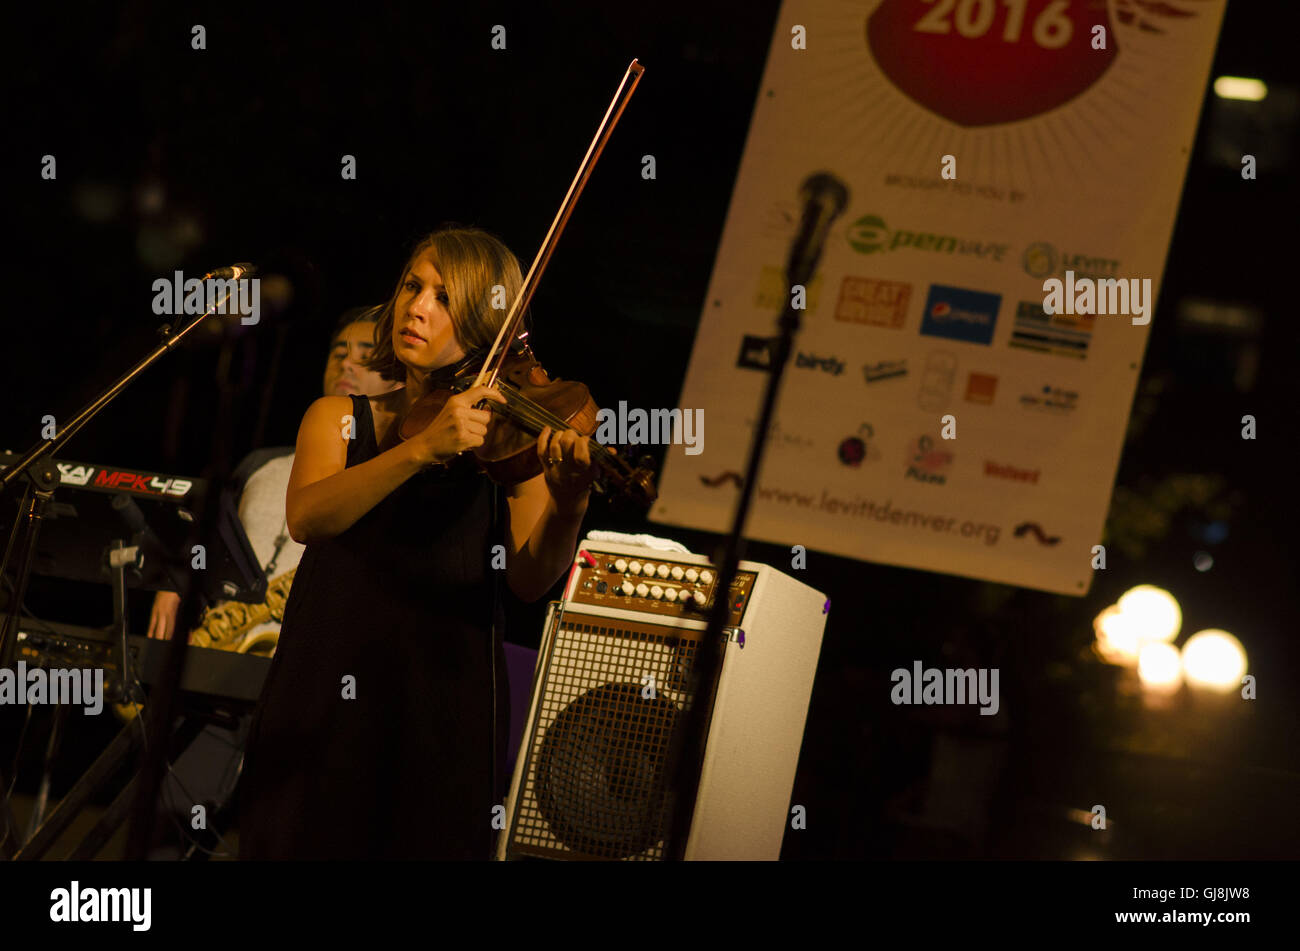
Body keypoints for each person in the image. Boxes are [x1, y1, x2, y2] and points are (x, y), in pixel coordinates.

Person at [238, 225, 595, 860]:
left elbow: (529, 580)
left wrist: (568, 505)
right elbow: (308, 517)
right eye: (413, 286)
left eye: (446, 297)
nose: (418, 307)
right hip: (323, 690)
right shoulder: (339, 417)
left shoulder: (506, 442)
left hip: (443, 707)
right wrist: (423, 448)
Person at [140, 305, 396, 858]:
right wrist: (175, 583)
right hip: (228, 664)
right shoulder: (262, 461)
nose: (346, 364)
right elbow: (208, 538)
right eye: (337, 352)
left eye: (365, 355)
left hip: (318, 680)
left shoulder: (393, 469)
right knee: (169, 823)